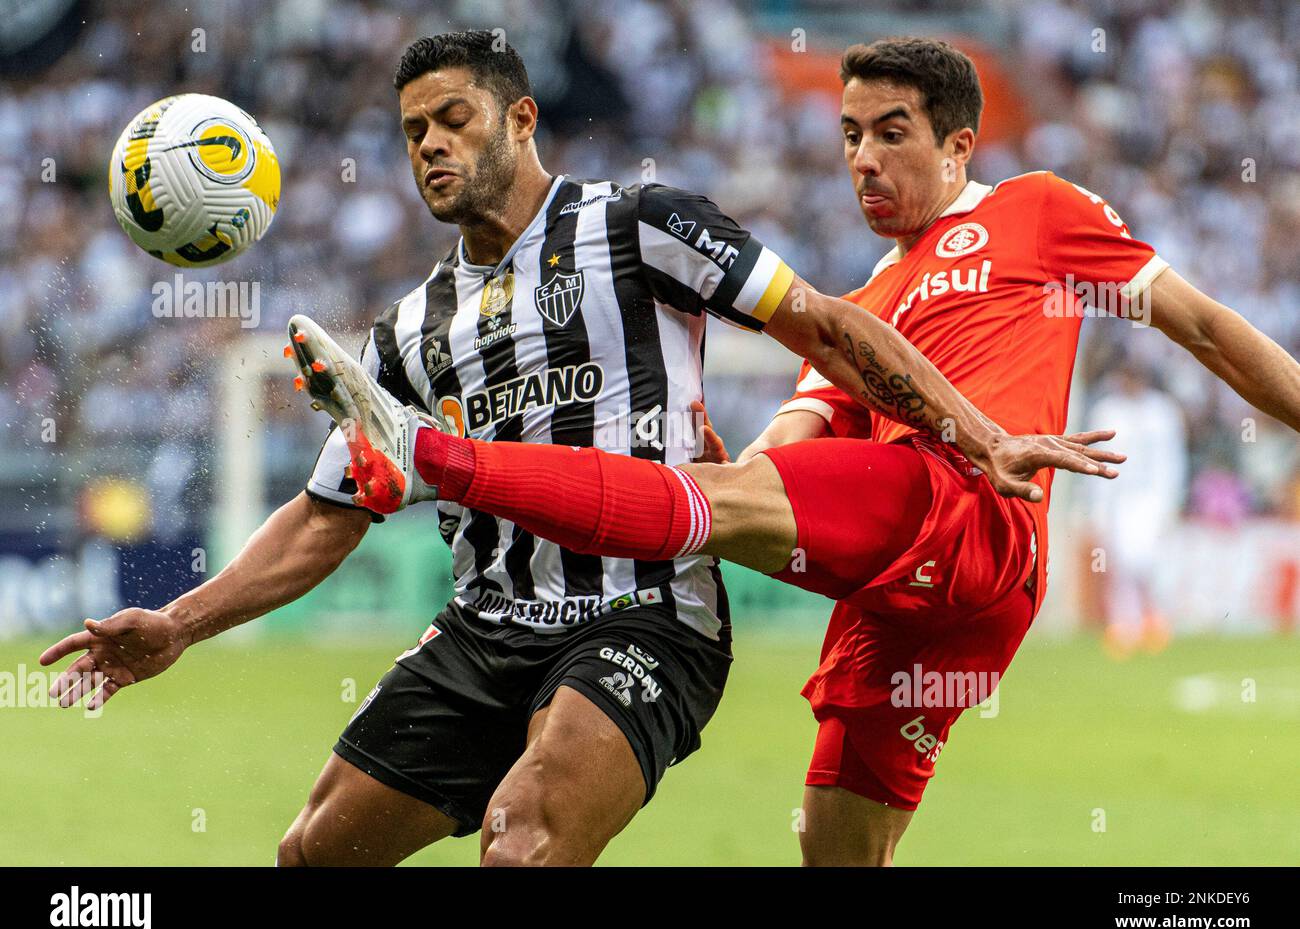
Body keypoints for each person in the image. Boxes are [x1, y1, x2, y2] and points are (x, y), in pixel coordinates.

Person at [38, 31, 1108, 867]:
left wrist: (976, 435)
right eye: (413, 134)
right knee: (314, 849)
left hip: (644, 610)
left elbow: (826, 326)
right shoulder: (411, 330)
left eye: (452, 120)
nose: (431, 148)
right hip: (481, 625)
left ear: (520, 116)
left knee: (525, 834)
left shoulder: (642, 224)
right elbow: (328, 513)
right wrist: (177, 624)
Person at [292, 36, 1300, 866]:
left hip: (970, 509)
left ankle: (432, 457)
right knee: (832, 848)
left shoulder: (1035, 209)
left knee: (698, 502)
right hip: (910, 604)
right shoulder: (863, 303)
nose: (863, 159)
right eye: (850, 135)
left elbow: (1205, 327)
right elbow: (800, 425)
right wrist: (741, 452)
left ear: (958, 143)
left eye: (891, 134)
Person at [1085, 364, 1188, 658]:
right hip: (1120, 498)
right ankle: (1124, 626)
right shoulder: (1107, 411)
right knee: (1121, 563)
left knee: (1148, 562)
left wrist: (1171, 501)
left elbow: (1172, 460)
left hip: (1152, 498)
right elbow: (1096, 461)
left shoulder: (1161, 412)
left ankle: (1154, 619)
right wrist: (1099, 508)